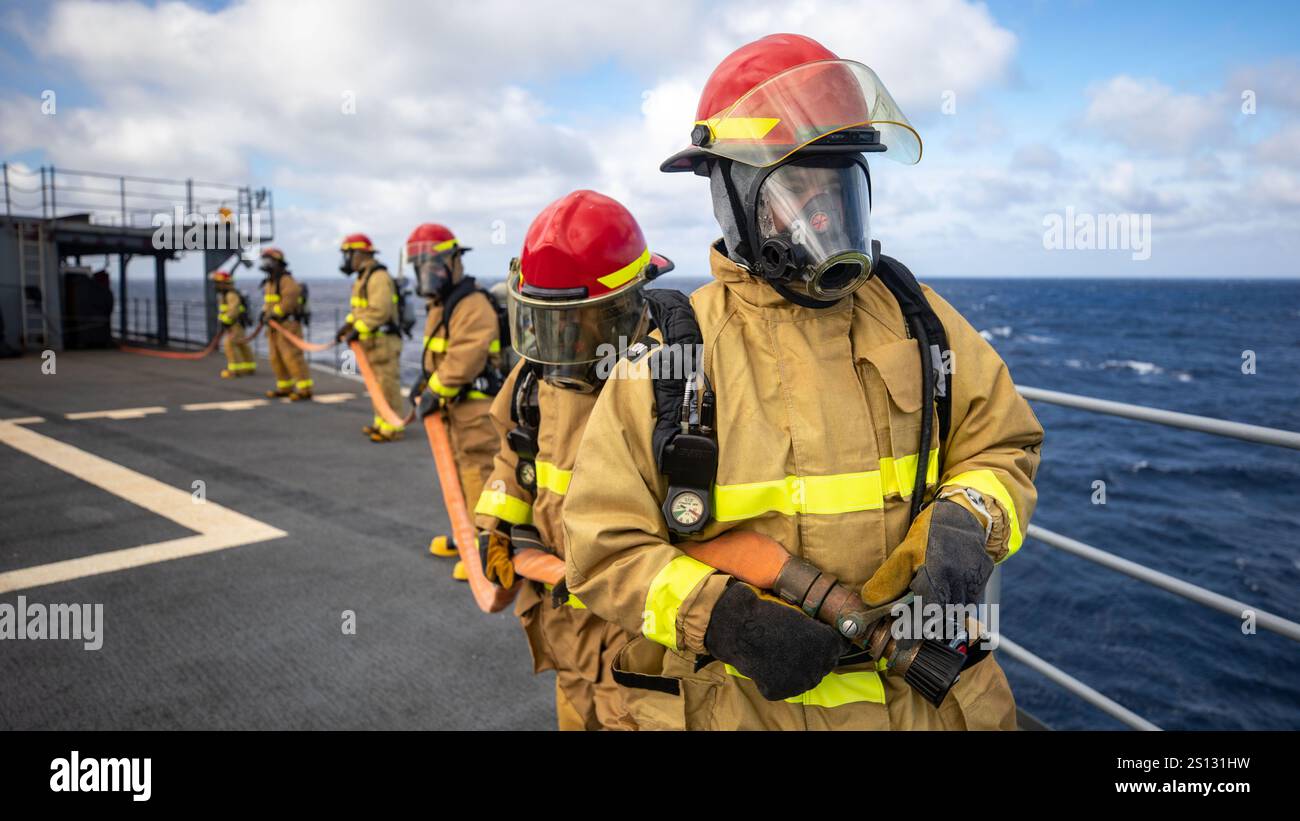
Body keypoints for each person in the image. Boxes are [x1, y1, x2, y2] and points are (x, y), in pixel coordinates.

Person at [562, 34, 1044, 730]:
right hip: (754, 711)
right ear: (731, 194)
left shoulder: (922, 320)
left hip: (929, 707)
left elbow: (1005, 442)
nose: (823, 219)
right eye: (796, 194)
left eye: (837, 189)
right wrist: (723, 619)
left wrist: (971, 516)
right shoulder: (668, 357)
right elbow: (600, 547)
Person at [474, 191, 668, 730]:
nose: (560, 342)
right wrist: (497, 526)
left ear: (622, 310)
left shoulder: (668, 385)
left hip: (637, 645)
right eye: (548, 321)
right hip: (563, 633)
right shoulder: (533, 382)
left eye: (576, 322)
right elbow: (512, 461)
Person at [404, 223, 504, 580]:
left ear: (454, 261)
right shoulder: (442, 303)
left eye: (434, 264)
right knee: (459, 475)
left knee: (480, 473)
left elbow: (466, 356)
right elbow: (439, 354)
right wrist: (426, 381)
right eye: (421, 267)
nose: (428, 273)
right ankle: (465, 534)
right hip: (453, 406)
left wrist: (436, 390)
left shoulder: (472, 304)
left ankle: (487, 545)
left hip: (475, 407)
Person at [335, 234, 404, 442]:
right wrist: (348, 325)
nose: (346, 259)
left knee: (386, 386)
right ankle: (380, 423)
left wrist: (359, 328)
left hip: (383, 342)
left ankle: (392, 428)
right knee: (376, 386)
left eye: (348, 254)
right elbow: (359, 310)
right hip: (371, 342)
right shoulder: (363, 277)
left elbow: (379, 311)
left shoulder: (378, 277)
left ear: (361, 254)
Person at [259, 248, 313, 401]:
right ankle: (284, 387)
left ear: (277, 262)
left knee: (292, 357)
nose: (265, 264)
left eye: (268, 260)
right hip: (274, 327)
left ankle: (304, 389)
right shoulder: (270, 282)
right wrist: (264, 312)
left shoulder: (285, 280)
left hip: (287, 326)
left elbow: (289, 301)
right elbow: (269, 302)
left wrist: (274, 313)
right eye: (264, 260)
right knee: (276, 358)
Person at [212, 269, 255, 379]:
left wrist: (225, 320)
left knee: (230, 345)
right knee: (241, 344)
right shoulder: (225, 295)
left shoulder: (230, 295)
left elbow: (233, 310)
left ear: (224, 283)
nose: (216, 285)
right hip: (235, 325)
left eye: (218, 283)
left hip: (235, 325)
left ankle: (235, 370)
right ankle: (249, 366)